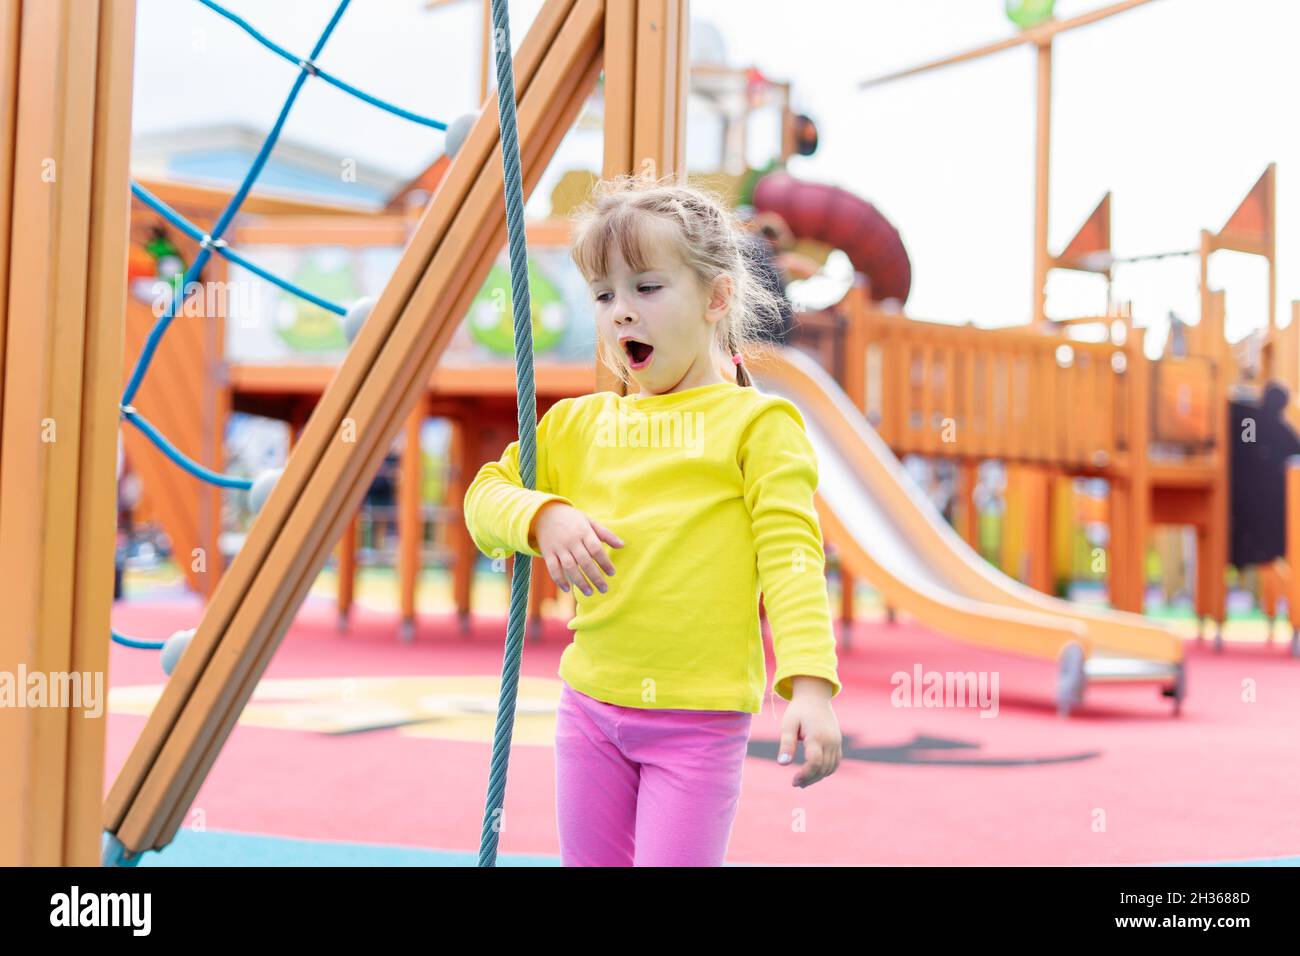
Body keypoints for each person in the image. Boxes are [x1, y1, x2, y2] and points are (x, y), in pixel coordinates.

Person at [463, 175, 842, 867]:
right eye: (604, 295)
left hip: (697, 723)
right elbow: (483, 499)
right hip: (591, 709)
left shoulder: (757, 425)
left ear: (716, 297)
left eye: (646, 287)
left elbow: (792, 559)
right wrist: (540, 515)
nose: (621, 314)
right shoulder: (579, 425)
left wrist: (810, 686)